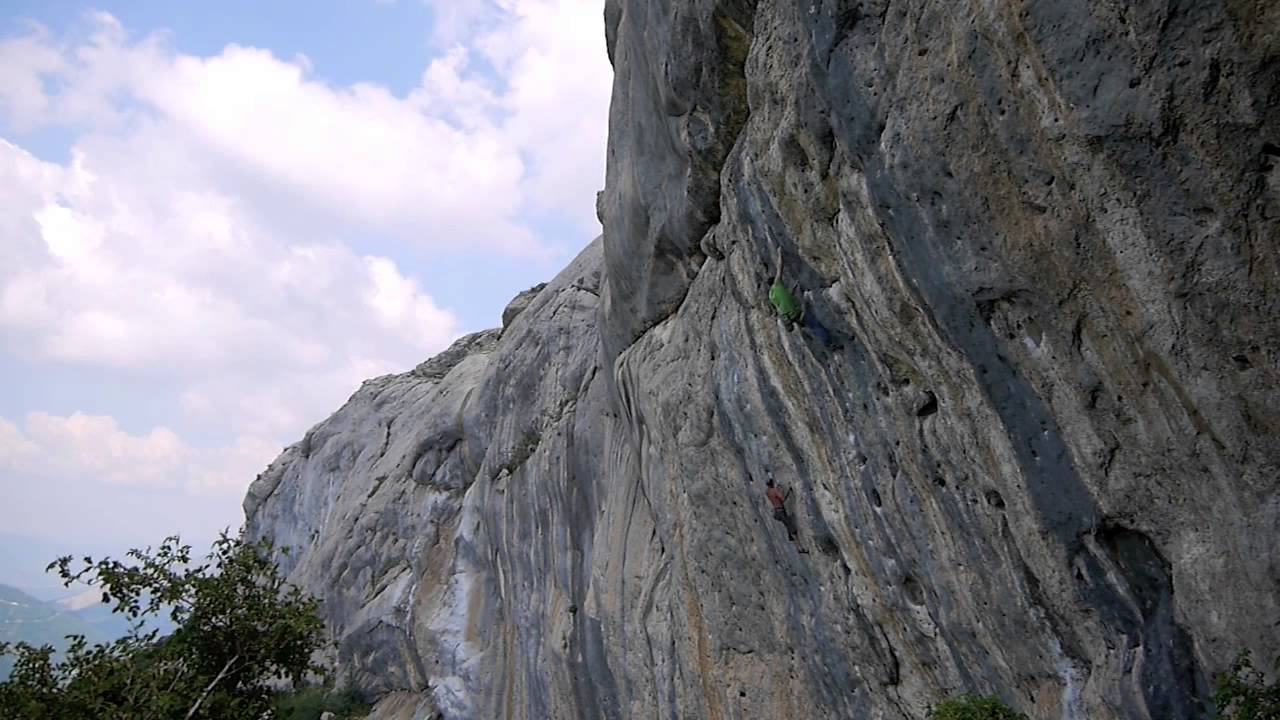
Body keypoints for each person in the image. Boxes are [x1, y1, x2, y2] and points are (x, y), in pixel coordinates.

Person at [768, 247, 834, 347]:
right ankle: (828, 343)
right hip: (797, 313)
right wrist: (780, 254)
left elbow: (784, 301)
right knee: (815, 324)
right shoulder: (777, 284)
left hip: (791, 316)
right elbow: (780, 267)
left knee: (809, 325)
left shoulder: (771, 295)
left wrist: (794, 289)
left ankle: (821, 341)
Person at [765, 478, 806, 552]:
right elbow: (783, 499)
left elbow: (774, 498)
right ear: (771, 483)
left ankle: (795, 544)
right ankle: (800, 548)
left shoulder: (767, 492)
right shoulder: (774, 491)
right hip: (781, 511)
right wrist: (788, 491)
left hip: (776, 512)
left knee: (788, 527)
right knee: (793, 530)